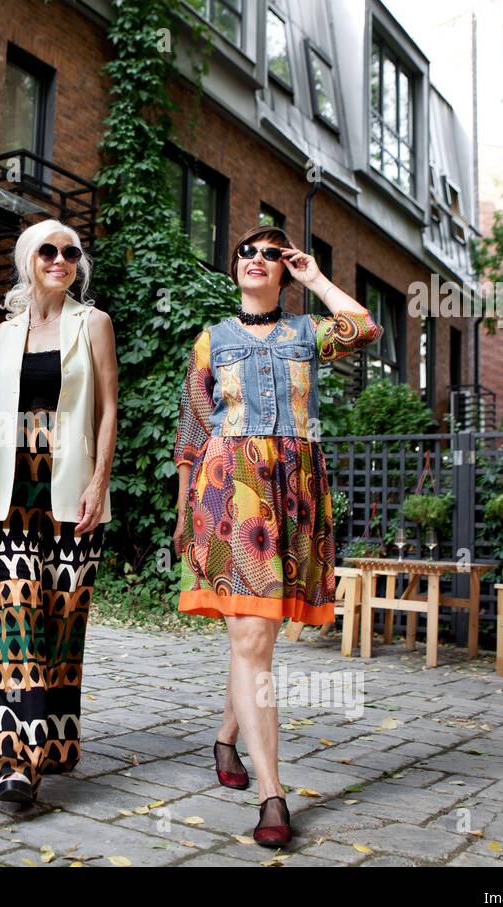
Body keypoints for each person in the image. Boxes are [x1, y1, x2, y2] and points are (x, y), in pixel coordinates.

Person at [171, 224, 381, 846]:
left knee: (255, 638)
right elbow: (191, 432)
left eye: (271, 255)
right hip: (228, 494)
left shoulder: (305, 334)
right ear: (234, 266)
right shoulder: (212, 340)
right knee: (254, 637)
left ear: (284, 270)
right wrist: (184, 514)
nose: (257, 260)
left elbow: (364, 326)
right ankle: (273, 797)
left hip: (292, 493)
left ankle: (225, 739)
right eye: (247, 252)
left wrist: (316, 278)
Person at [0, 219, 118, 805]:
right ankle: (17, 762)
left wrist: (99, 484)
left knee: (61, 618)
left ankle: (52, 745)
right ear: (28, 258)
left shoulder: (93, 323)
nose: (60, 259)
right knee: (12, 617)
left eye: (70, 252)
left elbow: (107, 409)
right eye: (47, 250)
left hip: (71, 486)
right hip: (9, 491)